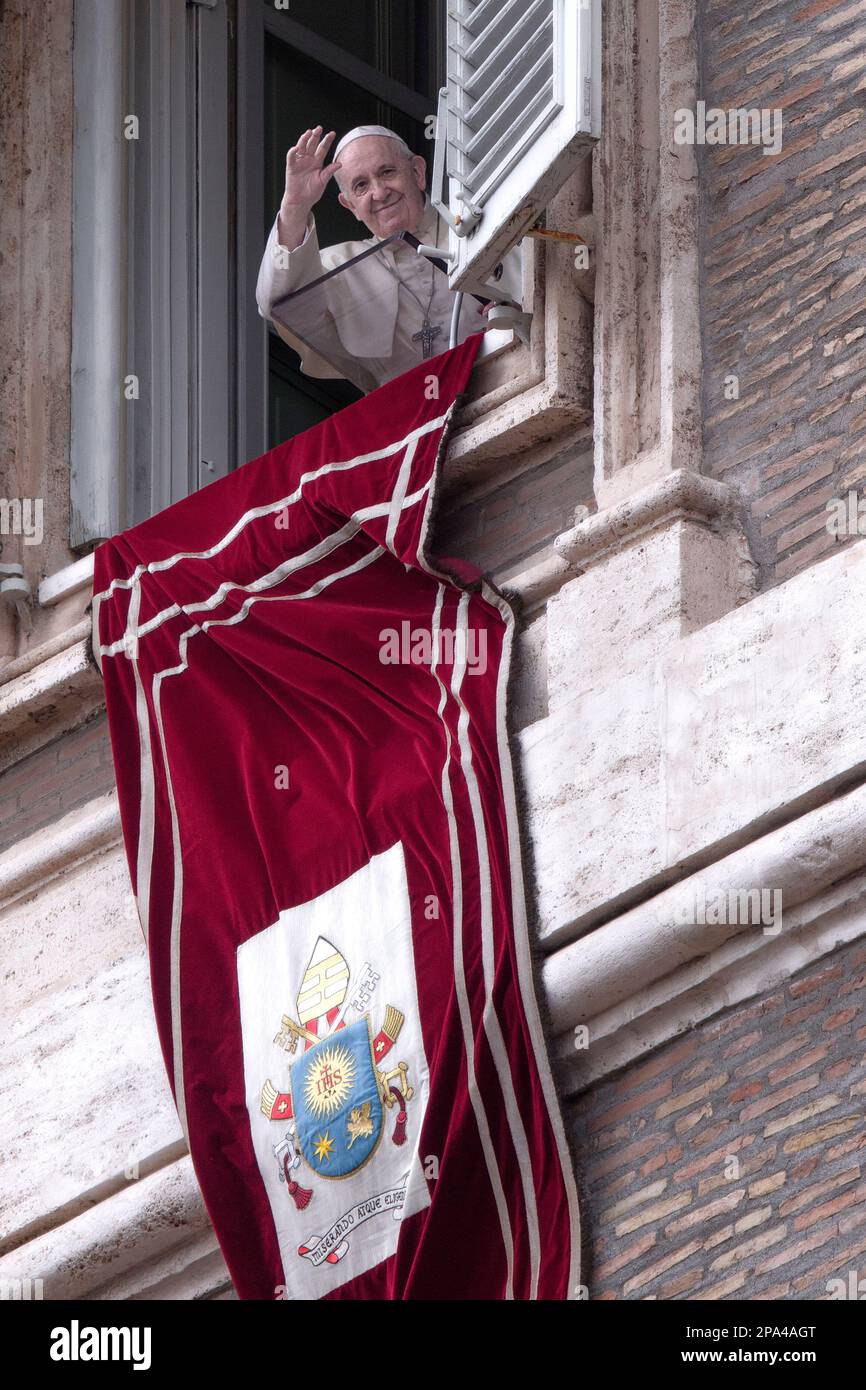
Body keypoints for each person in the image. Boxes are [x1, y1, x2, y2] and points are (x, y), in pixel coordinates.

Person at [255, 125, 490, 392]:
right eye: (361, 185)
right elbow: (274, 303)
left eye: (387, 172)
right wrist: (294, 207)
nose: (379, 193)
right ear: (350, 205)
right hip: (409, 419)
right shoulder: (339, 266)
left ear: (418, 172)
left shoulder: (476, 228)